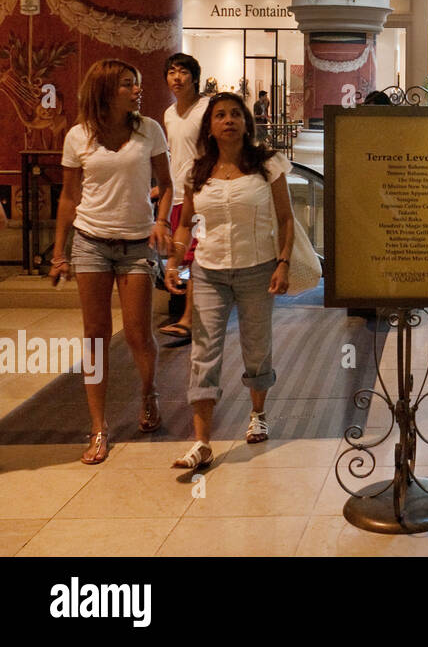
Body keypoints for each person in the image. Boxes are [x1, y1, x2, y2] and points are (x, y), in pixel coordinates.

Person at [50, 59, 172, 465]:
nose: (137, 90)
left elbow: (167, 186)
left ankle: (148, 393)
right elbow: (68, 198)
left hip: (137, 243)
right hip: (91, 241)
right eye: (126, 84)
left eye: (136, 83)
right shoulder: (78, 137)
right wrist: (58, 252)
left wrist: (159, 222)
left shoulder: (149, 130)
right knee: (96, 334)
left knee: (138, 333)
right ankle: (99, 426)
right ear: (105, 89)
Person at [164, 92, 294, 468]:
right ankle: (201, 441)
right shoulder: (197, 171)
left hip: (257, 268)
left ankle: (257, 415)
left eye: (235, 114)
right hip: (209, 271)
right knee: (203, 352)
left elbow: (285, 218)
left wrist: (282, 262)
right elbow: (187, 222)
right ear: (210, 126)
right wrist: (174, 260)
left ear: (246, 122)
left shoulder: (266, 165)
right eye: (220, 115)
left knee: (257, 346)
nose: (228, 120)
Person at [158, 53, 207, 345]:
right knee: (180, 256)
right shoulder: (168, 114)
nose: (176, 77)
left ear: (195, 77)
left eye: (183, 72)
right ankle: (188, 314)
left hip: (201, 195)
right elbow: (174, 154)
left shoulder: (207, 108)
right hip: (177, 195)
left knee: (199, 256)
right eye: (172, 71)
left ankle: (189, 319)